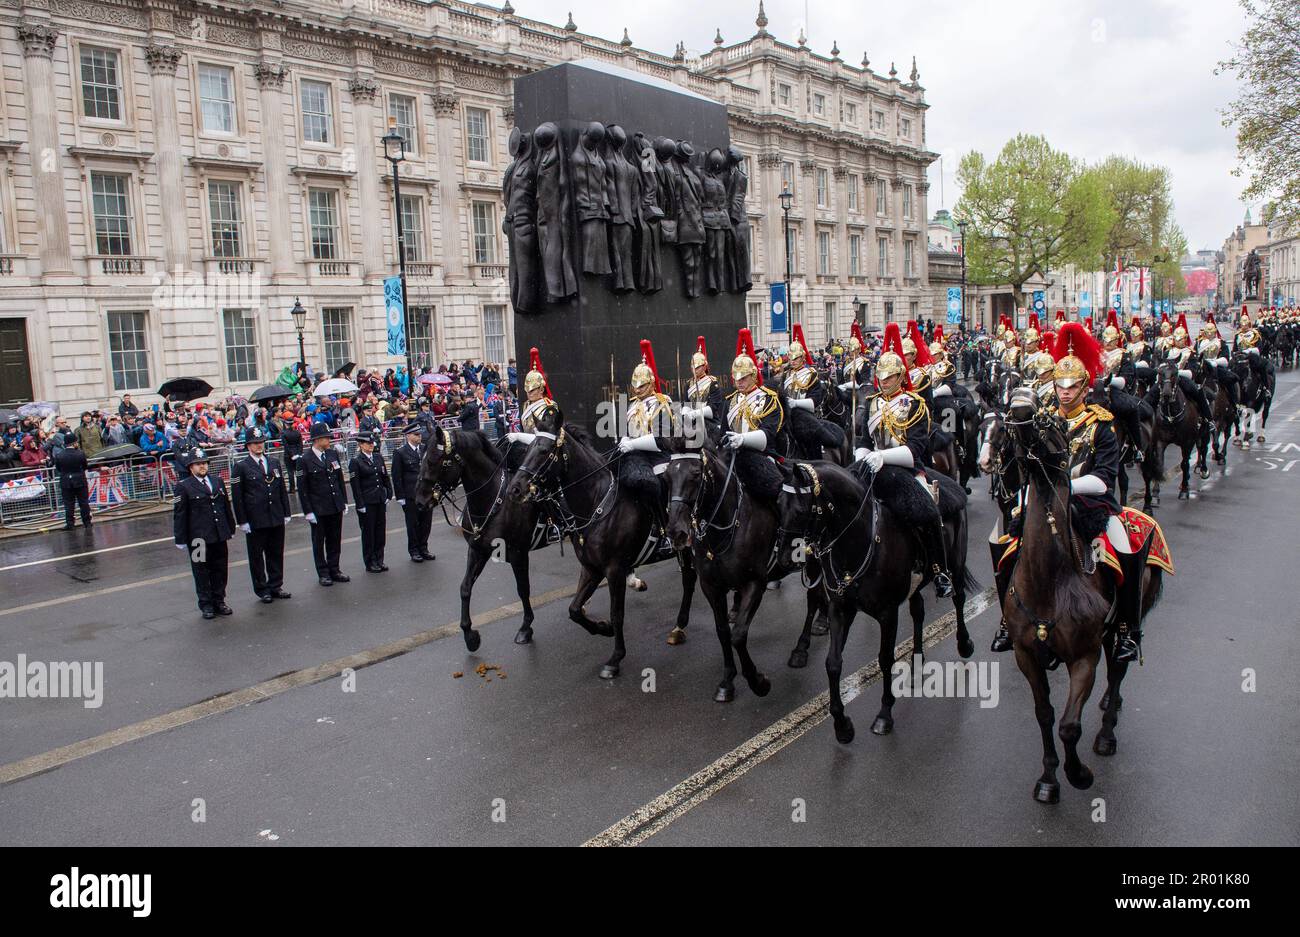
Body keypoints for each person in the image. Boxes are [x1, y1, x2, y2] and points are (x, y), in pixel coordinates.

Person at [852, 322, 954, 598]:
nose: (883, 381)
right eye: (880, 376)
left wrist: (881, 456)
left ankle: (940, 569)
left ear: (900, 376)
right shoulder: (872, 403)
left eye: (889, 377)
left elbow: (915, 449)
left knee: (927, 512)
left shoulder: (914, 404)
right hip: (872, 465)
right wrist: (861, 456)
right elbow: (863, 440)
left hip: (905, 469)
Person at [230, 426, 292, 604]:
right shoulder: (241, 467)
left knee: (275, 552)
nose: (259, 446)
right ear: (248, 445)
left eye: (261, 442)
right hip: (256, 518)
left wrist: (286, 512)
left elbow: (281, 489)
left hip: (275, 515)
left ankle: (276, 584)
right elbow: (237, 496)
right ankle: (262, 588)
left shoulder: (273, 462)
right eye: (255, 443)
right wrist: (242, 520)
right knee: (257, 556)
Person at [172, 447, 235, 620]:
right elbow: (180, 514)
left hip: (218, 535)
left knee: (220, 569)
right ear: (191, 467)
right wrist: (181, 538)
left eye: (204, 463)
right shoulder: (184, 487)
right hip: (198, 538)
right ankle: (206, 604)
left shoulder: (217, 481)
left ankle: (219, 600)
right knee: (201, 571)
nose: (202, 466)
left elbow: (225, 507)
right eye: (198, 464)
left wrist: (231, 527)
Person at [298, 422, 350, 586]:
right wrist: (308, 511)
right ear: (317, 439)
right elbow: (303, 488)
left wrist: (344, 501)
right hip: (318, 507)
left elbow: (339, 479)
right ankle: (323, 572)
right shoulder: (305, 460)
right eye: (326, 437)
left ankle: (334, 569)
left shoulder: (332, 454)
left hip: (334, 504)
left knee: (335, 539)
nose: (329, 440)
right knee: (319, 541)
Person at [349, 430, 394, 573]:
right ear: (361, 445)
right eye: (368, 443)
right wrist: (360, 504)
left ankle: (379, 559)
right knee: (369, 533)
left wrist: (389, 492)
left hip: (380, 499)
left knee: (380, 532)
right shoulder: (356, 462)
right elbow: (355, 486)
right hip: (367, 501)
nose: (371, 445)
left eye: (372, 443)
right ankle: (370, 561)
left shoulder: (378, 457)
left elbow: (384, 476)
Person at [391, 422, 435, 562]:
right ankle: (414, 550)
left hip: (426, 493)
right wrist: (400, 497)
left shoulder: (424, 449)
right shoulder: (400, 452)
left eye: (420, 434)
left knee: (426, 522)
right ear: (408, 436)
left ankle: (424, 547)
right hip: (411, 494)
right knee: (413, 524)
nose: (419, 437)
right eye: (416, 434)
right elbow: (396, 476)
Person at [53, 434, 92, 529]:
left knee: (69, 504)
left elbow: (58, 468)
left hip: (66, 481)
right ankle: (87, 522)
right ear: (74, 443)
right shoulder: (80, 453)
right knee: (83, 502)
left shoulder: (59, 455)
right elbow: (85, 466)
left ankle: (70, 524)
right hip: (80, 480)